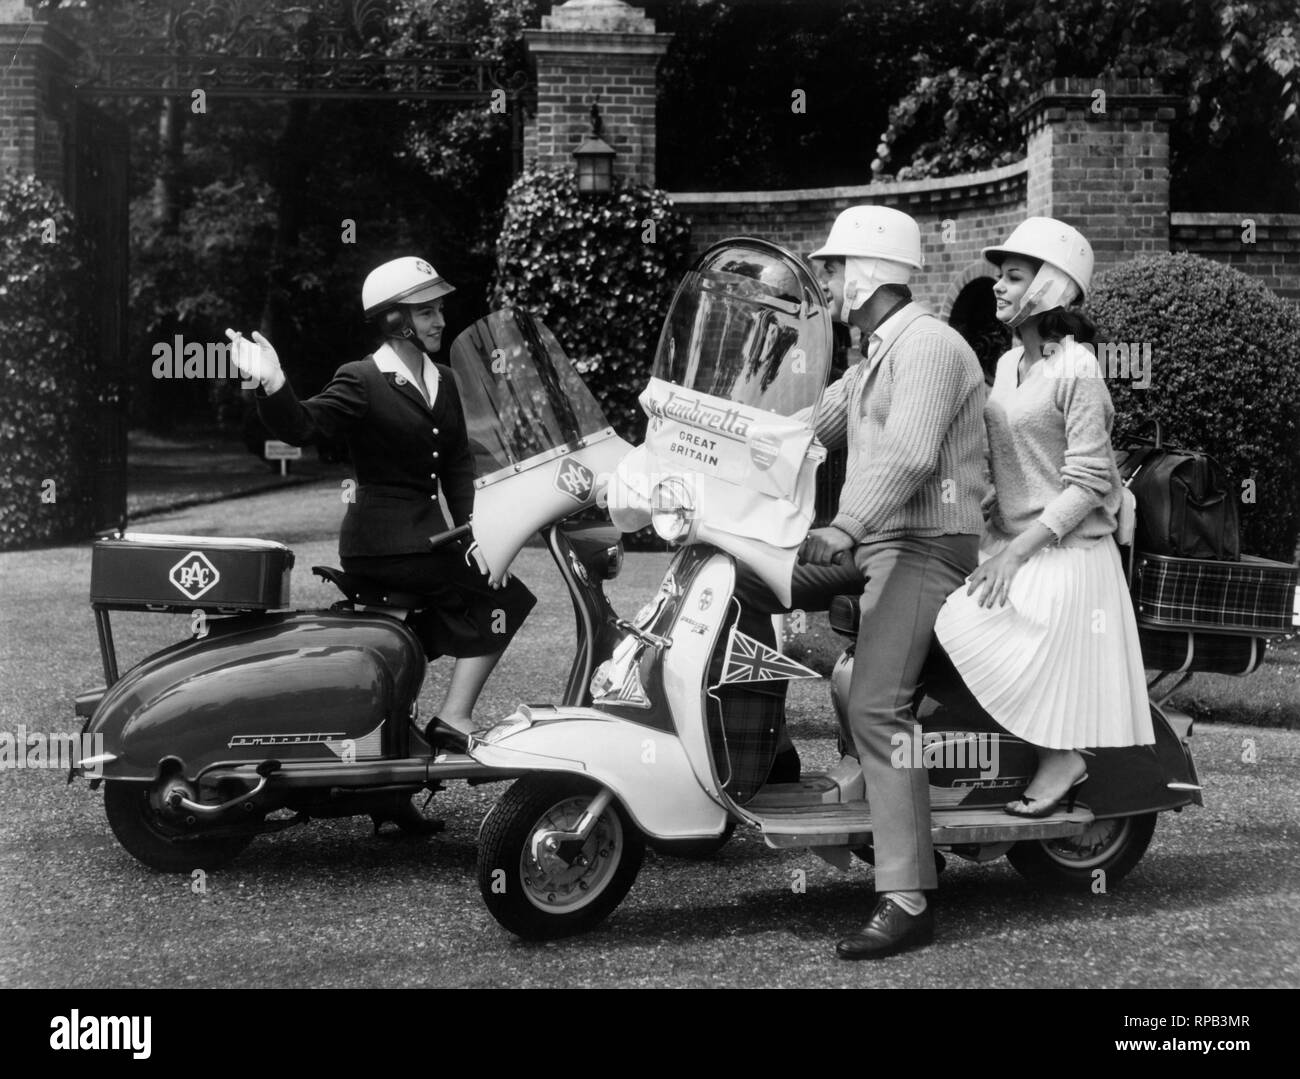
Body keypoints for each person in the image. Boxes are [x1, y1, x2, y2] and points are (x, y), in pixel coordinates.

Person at [735, 206, 986, 959]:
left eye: (839, 267)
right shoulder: (874, 354)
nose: (833, 281)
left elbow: (908, 455)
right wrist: (711, 442)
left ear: (873, 270)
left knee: (879, 707)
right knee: (748, 583)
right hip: (877, 542)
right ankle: (762, 752)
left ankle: (909, 894)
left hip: (925, 544)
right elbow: (805, 428)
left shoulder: (932, 346)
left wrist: (842, 525)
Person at [225, 257, 537, 827]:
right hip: (383, 543)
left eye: (439, 307)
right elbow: (303, 425)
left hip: (430, 541)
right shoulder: (362, 378)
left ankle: (389, 781)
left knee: (447, 615)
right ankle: (454, 720)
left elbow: (459, 470)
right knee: (506, 600)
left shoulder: (442, 380)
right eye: (426, 310)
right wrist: (271, 383)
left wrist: (480, 537)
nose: (440, 318)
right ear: (396, 320)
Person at [933, 218, 1154, 817]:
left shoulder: (1078, 370)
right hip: (1009, 542)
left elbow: (1088, 482)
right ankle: (967, 762)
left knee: (962, 631)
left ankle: (1061, 757)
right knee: (928, 629)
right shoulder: (1009, 365)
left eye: (1013, 277)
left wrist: (1014, 551)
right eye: (998, 276)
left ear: (1050, 284)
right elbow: (1005, 465)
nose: (998, 287)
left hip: (1064, 554)